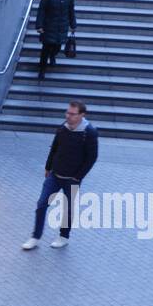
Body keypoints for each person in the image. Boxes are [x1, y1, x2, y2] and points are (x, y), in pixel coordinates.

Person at [22, 100, 98, 251]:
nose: (68, 116)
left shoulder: (89, 132)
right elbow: (54, 148)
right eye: (67, 112)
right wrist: (48, 167)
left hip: (72, 179)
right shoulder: (63, 128)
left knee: (68, 208)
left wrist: (78, 176)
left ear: (82, 115)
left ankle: (63, 237)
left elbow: (92, 158)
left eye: (72, 114)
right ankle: (35, 237)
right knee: (42, 204)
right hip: (55, 175)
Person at [35, 0, 76, 80]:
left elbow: (71, 10)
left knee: (57, 47)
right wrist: (39, 25)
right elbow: (41, 10)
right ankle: (42, 69)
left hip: (62, 26)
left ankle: (53, 56)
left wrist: (73, 24)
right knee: (46, 49)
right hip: (49, 26)